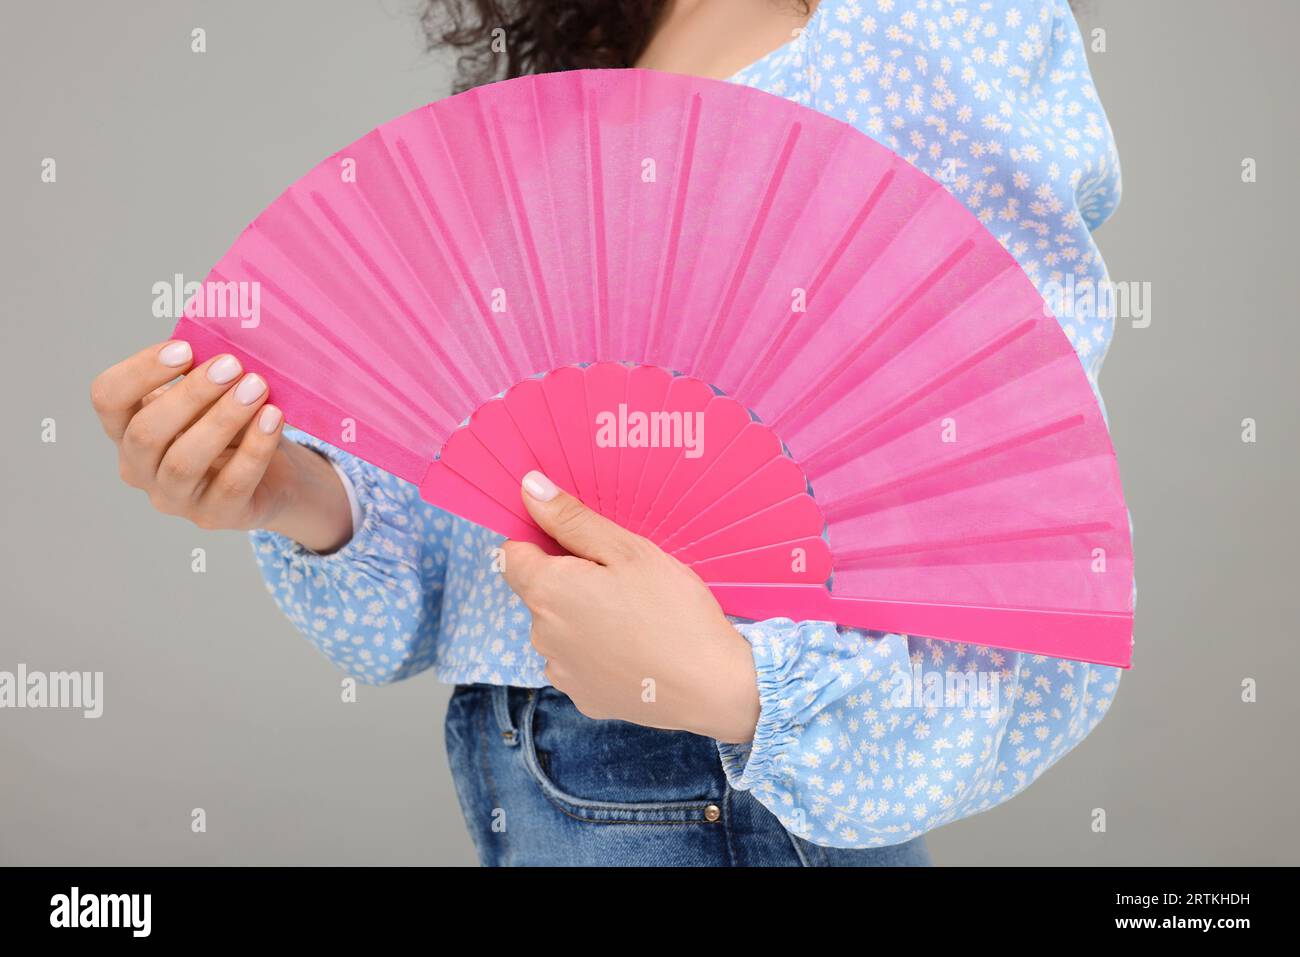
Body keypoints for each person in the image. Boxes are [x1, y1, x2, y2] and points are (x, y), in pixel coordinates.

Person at [90, 0, 1123, 866]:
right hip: (526, 773)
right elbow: (469, 522)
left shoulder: (930, 23)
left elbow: (1017, 522)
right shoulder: (601, 51)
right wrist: (290, 489)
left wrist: (740, 689)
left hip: (729, 794)